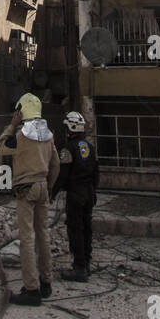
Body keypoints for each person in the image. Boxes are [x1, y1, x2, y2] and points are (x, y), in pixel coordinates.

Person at [0, 92, 60, 306]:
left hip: (26, 188)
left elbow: (1, 147)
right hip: (42, 186)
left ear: (20, 111)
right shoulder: (48, 134)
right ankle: (46, 282)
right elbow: (56, 164)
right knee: (44, 235)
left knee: (27, 238)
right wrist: (49, 185)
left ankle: (31, 290)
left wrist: (11, 126)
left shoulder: (21, 135)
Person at [51, 110, 99, 282]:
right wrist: (93, 192)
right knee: (87, 227)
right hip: (89, 193)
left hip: (76, 194)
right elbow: (96, 173)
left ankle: (79, 268)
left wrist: (52, 193)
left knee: (75, 228)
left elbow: (62, 175)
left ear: (70, 128)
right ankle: (86, 262)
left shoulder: (67, 149)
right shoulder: (90, 147)